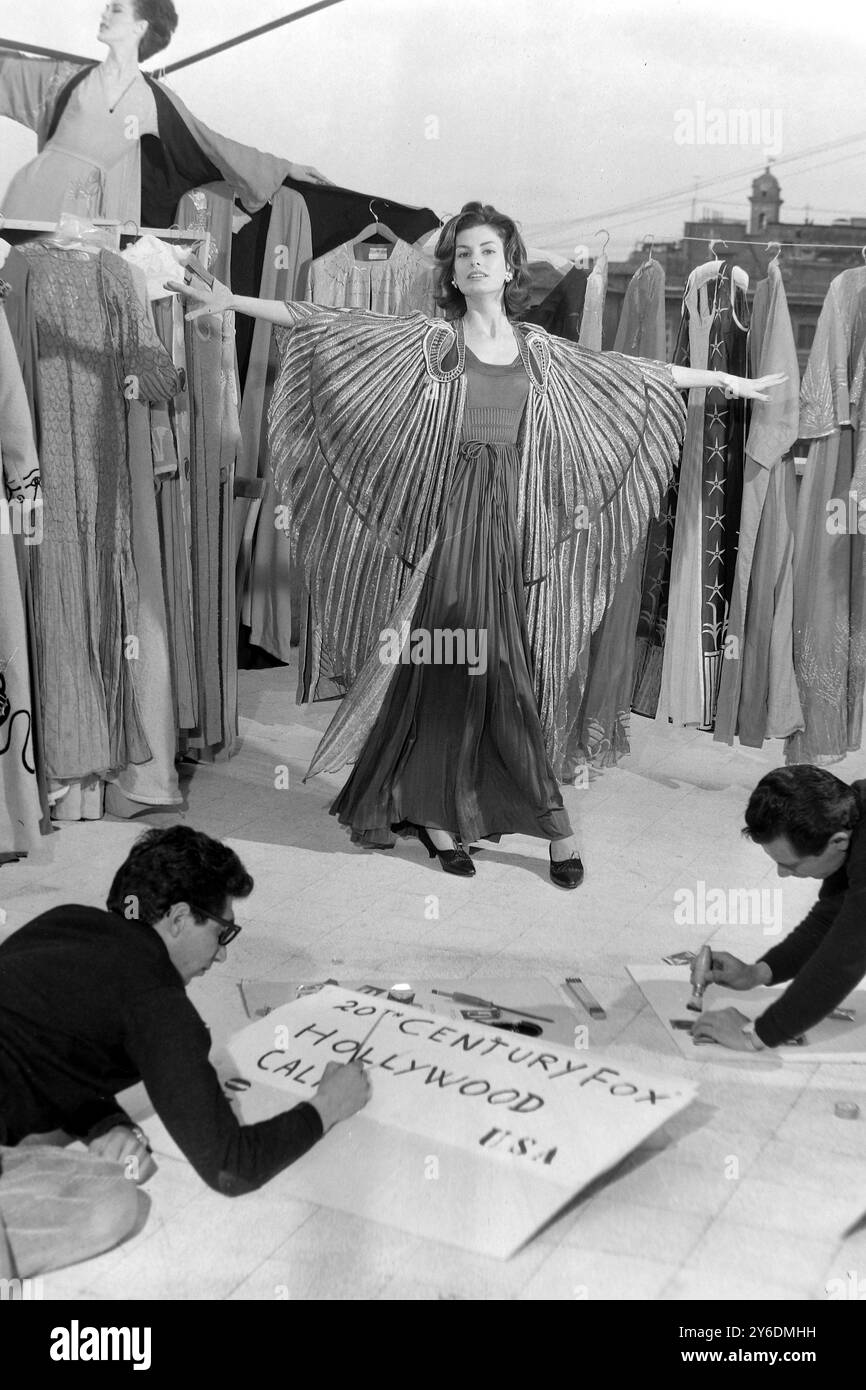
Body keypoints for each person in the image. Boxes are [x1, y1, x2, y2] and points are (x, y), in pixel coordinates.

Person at [170, 202, 783, 891]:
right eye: (463, 254)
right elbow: (329, 324)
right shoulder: (430, 341)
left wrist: (722, 380)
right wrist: (234, 302)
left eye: (487, 251)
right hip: (447, 528)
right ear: (452, 272)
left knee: (486, 676)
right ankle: (536, 826)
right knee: (472, 677)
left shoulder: (541, 351)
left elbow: (631, 375)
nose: (474, 262)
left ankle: (455, 814)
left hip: (511, 526)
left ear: (510, 264)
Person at [0, 825, 369, 1280]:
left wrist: (104, 1120)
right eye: (223, 933)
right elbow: (231, 1168)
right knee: (113, 1203)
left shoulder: (65, 919)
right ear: (177, 918)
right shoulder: (158, 1002)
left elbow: (45, 1045)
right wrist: (327, 1105)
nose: (222, 958)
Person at [0, 1, 326, 228]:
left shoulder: (153, 97)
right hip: (40, 212)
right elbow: (6, 71)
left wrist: (282, 168)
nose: (104, 11)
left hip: (102, 225)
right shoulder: (64, 78)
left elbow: (210, 145)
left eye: (116, 9)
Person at [690, 766, 866, 1051]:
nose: (783, 875)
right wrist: (758, 973)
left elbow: (844, 958)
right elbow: (831, 918)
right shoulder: (851, 813)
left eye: (791, 864)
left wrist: (756, 1035)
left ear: (838, 842)